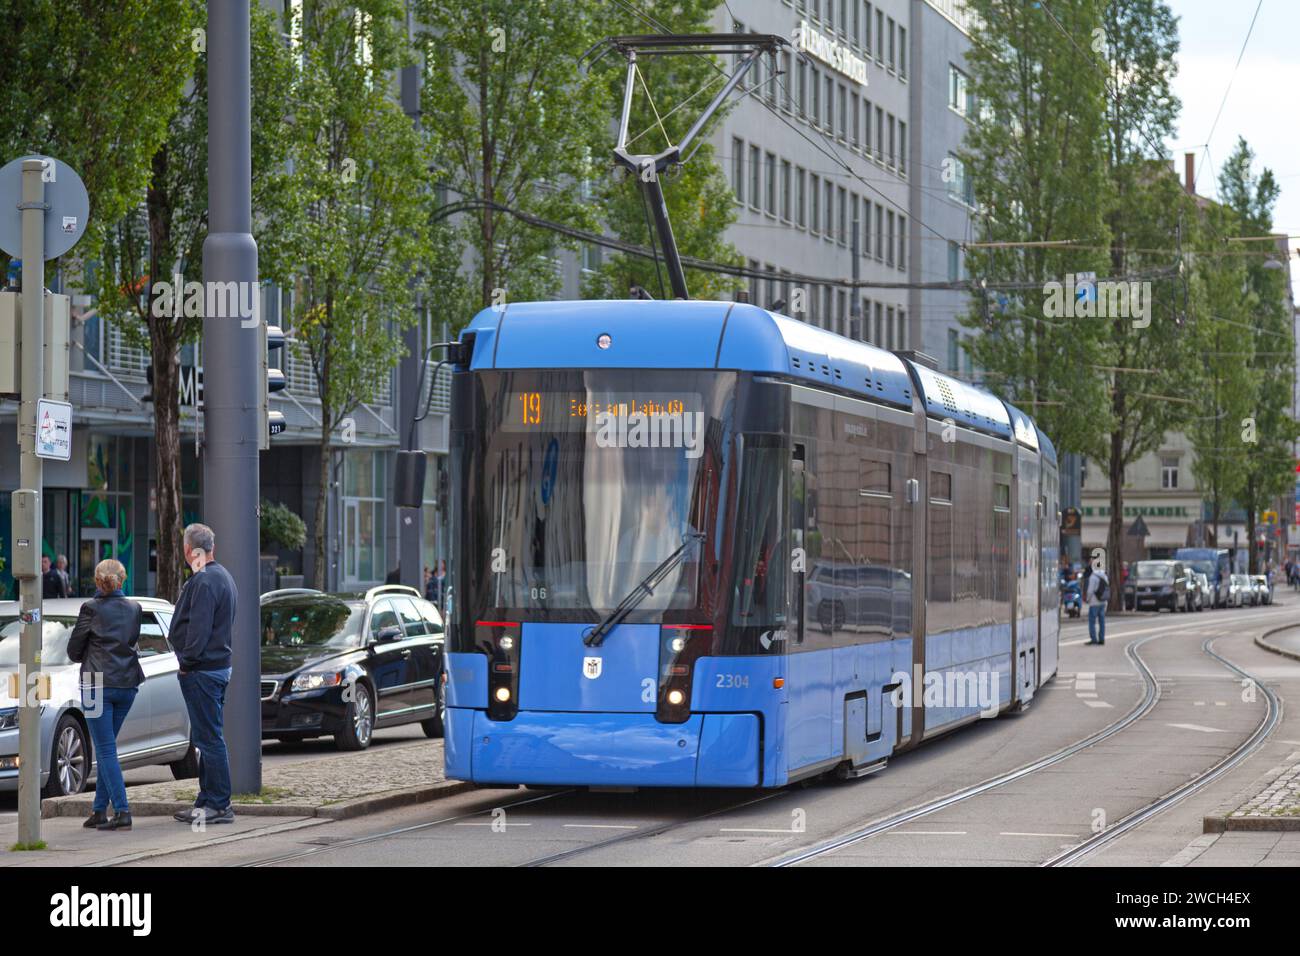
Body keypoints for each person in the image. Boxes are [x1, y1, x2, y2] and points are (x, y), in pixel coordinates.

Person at [67, 559, 144, 831]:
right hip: (128, 684)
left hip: (96, 683)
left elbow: (73, 651)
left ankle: (122, 811)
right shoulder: (135, 608)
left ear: (98, 582)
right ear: (121, 580)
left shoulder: (90, 608)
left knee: (106, 749)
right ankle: (99, 810)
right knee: (107, 747)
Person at [169, 523, 238, 825]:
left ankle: (219, 804)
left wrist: (187, 662)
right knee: (208, 736)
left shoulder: (204, 582)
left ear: (189, 550)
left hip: (203, 670)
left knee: (209, 739)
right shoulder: (222, 577)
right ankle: (208, 800)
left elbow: (198, 630)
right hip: (216, 667)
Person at [1084, 563, 1109, 646]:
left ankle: (1094, 639)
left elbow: (1090, 591)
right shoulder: (1105, 576)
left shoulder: (1093, 577)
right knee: (1102, 621)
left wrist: (1087, 599)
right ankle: (1102, 639)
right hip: (1103, 601)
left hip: (1094, 602)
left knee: (1092, 621)